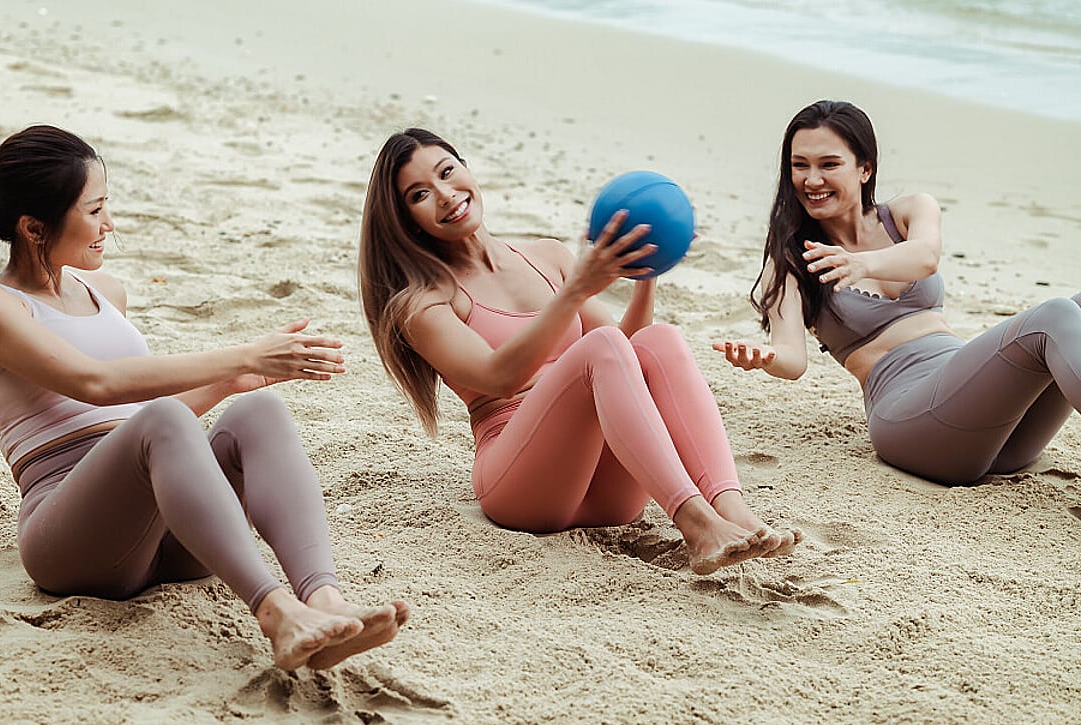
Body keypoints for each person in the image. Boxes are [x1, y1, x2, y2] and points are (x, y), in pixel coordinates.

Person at [0, 125, 408, 671]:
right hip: (70, 540)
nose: (108, 224)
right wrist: (245, 355)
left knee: (259, 410)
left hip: (163, 535)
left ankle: (324, 602)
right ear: (33, 227)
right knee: (163, 415)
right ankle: (277, 612)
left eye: (105, 205)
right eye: (94, 211)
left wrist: (231, 384)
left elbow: (143, 432)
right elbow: (95, 384)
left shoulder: (105, 292)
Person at [358, 128, 798, 574]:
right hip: (523, 488)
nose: (446, 195)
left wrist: (647, 275)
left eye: (448, 172)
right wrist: (573, 293)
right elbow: (497, 377)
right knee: (600, 344)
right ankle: (695, 521)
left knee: (657, 340)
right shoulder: (421, 303)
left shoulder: (547, 256)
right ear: (408, 219)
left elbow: (625, 359)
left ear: (467, 168)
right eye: (420, 194)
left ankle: (733, 511)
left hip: (608, 491)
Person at [715, 100, 1081, 485]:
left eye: (829, 164)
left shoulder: (908, 212)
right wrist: (766, 357)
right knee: (1053, 315)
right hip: (912, 421)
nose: (812, 179)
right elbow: (793, 361)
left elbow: (926, 257)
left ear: (865, 169)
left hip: (996, 430)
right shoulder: (792, 260)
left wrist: (864, 263)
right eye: (799, 165)